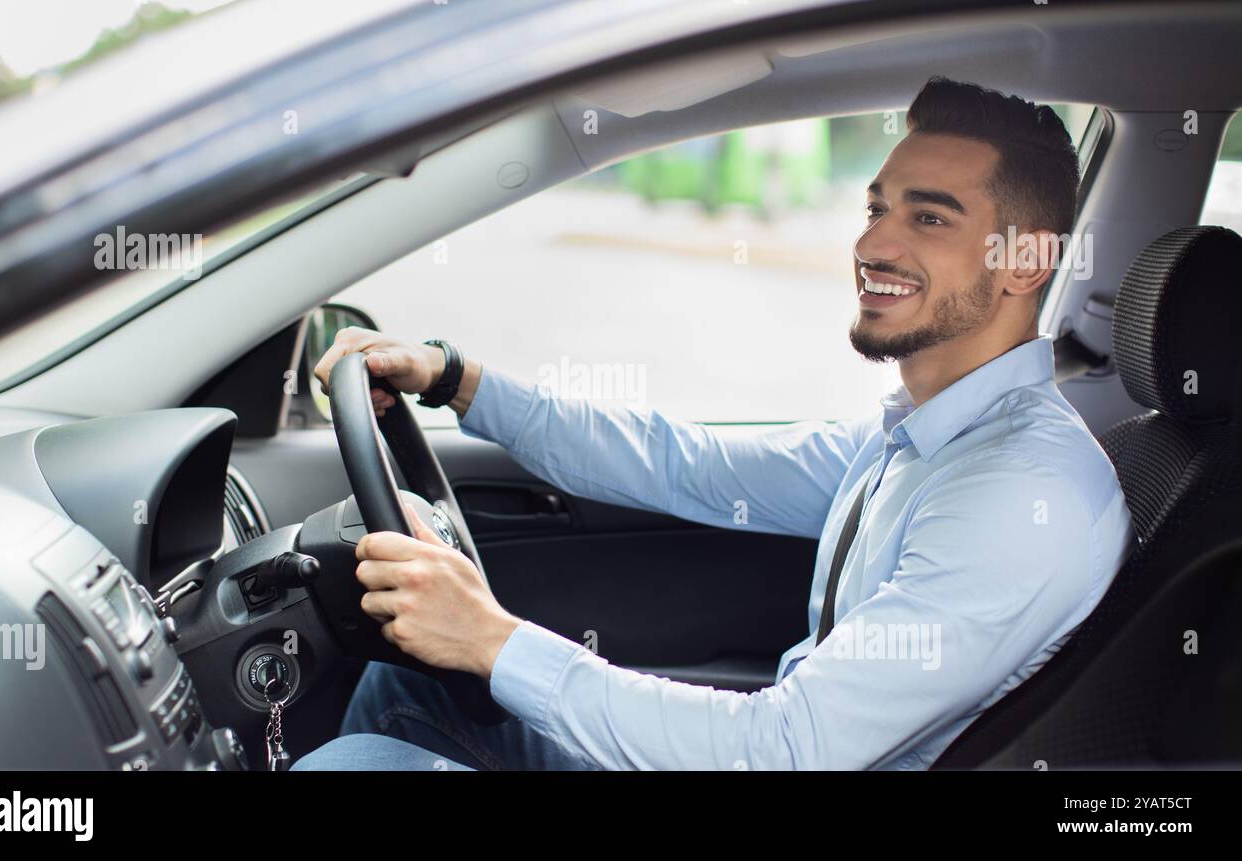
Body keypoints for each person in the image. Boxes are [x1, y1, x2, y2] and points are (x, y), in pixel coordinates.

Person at [293, 76, 1133, 771]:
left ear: (1024, 260)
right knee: (409, 685)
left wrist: (493, 637)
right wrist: (455, 377)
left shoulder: (1021, 494)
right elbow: (682, 462)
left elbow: (788, 749)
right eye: (876, 206)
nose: (874, 243)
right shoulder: (919, 437)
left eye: (929, 217)